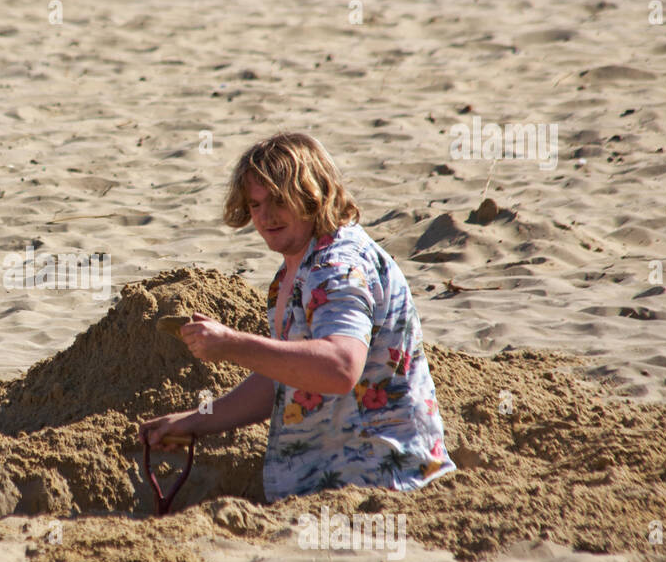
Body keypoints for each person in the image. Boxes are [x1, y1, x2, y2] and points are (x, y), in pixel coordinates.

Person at [139, 133, 456, 501]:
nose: (265, 216)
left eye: (278, 200)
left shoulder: (335, 266)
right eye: (255, 204)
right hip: (336, 485)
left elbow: (339, 368)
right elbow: (288, 377)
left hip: (380, 483)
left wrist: (230, 343)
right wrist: (195, 420)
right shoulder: (297, 267)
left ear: (312, 194)